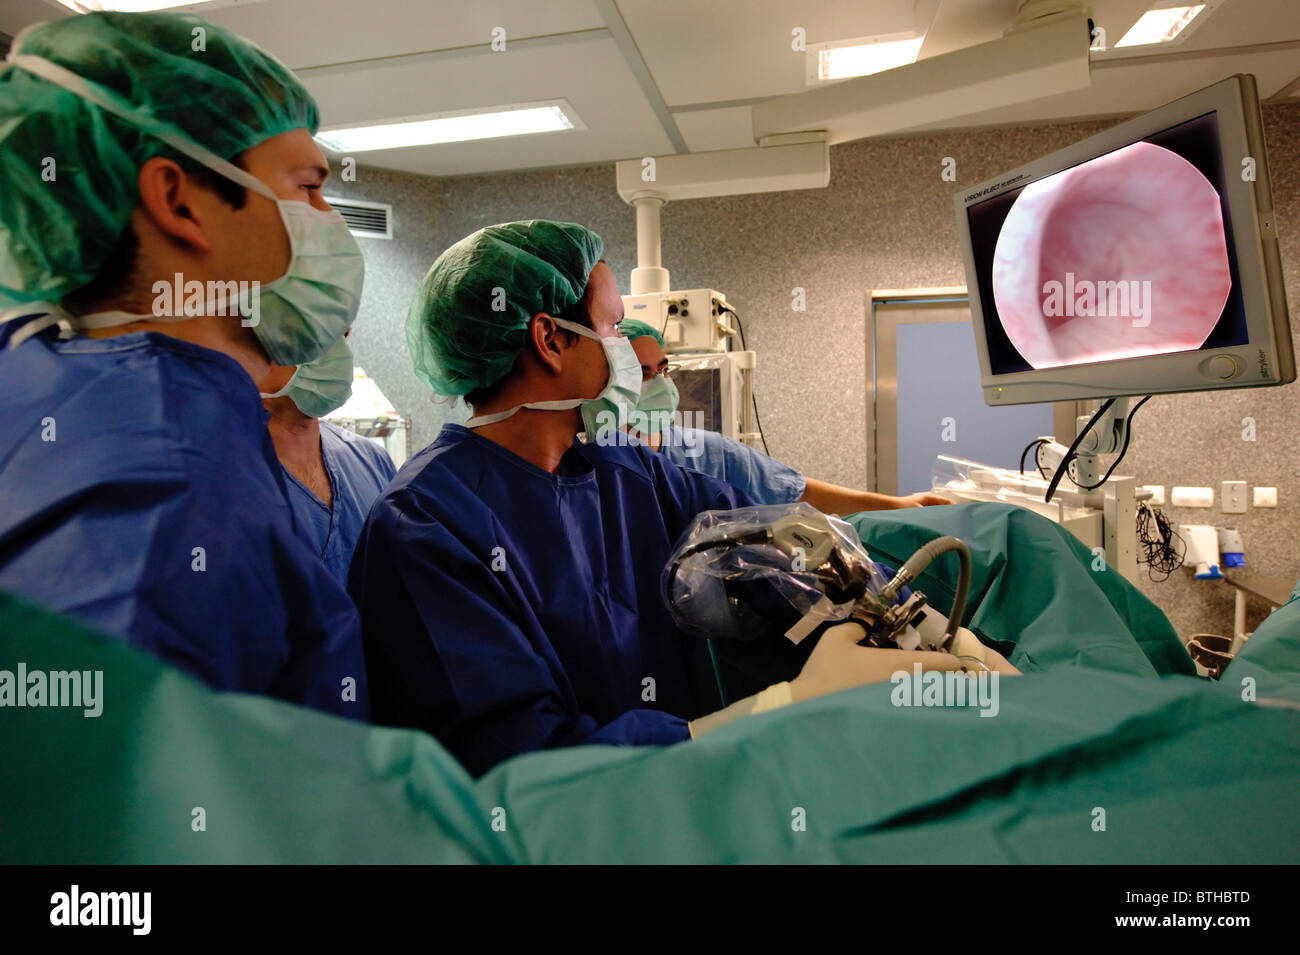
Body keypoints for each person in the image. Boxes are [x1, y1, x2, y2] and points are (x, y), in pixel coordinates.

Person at [350, 220, 990, 775]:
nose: (628, 352)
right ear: (549, 339)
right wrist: (776, 711)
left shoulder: (630, 473)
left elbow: (774, 542)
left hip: (686, 793)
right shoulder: (424, 526)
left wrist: (919, 624)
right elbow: (516, 760)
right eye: (609, 326)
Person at [0, 12, 369, 719]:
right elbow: (130, 805)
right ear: (179, 200)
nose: (332, 223)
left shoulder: (64, 401)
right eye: (310, 187)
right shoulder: (163, 484)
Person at [619, 318, 952, 512]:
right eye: (643, 373)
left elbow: (798, 493)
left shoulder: (711, 453)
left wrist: (900, 505)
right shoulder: (595, 459)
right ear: (615, 380)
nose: (660, 383)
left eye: (663, 370)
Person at [259, 335, 396, 587]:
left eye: (342, 333)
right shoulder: (219, 480)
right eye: (314, 335)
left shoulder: (372, 461)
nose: (336, 350)